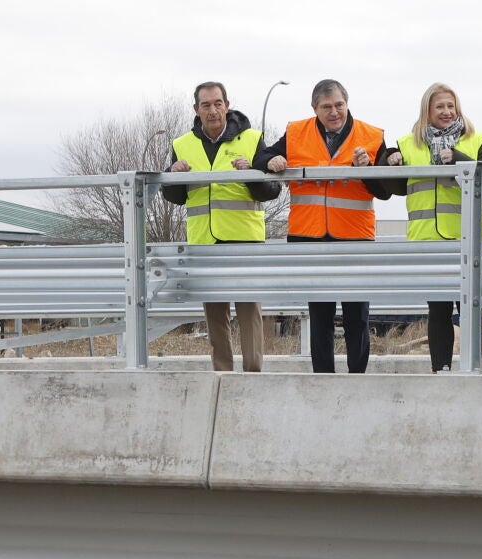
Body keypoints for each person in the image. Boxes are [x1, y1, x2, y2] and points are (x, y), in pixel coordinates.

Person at [255, 79, 392, 374]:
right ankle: (323, 379)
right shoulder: (296, 132)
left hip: (354, 237)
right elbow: (261, 156)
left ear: (347, 104)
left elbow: (384, 190)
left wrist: (366, 168)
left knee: (357, 316)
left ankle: (357, 377)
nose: (334, 112)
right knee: (320, 316)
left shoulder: (371, 135)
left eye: (339, 105)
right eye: (327, 107)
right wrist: (273, 159)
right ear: (314, 108)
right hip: (309, 237)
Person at [162, 81, 281, 372]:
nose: (213, 110)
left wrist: (252, 174)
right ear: (196, 109)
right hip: (204, 241)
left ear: (227, 105)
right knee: (214, 315)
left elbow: (272, 189)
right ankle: (222, 374)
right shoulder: (181, 144)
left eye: (218, 103)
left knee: (248, 311)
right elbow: (174, 197)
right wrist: (172, 176)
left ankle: (253, 372)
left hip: (244, 239)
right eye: (206, 105)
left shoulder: (252, 139)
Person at [384, 82, 482, 373]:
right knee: (438, 310)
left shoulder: (477, 139)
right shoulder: (408, 144)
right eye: (439, 107)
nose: (446, 112)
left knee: (471, 309)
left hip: (468, 237)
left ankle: (473, 369)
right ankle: (440, 370)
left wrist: (459, 159)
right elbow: (394, 187)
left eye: (450, 106)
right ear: (427, 111)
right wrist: (389, 160)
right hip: (428, 238)